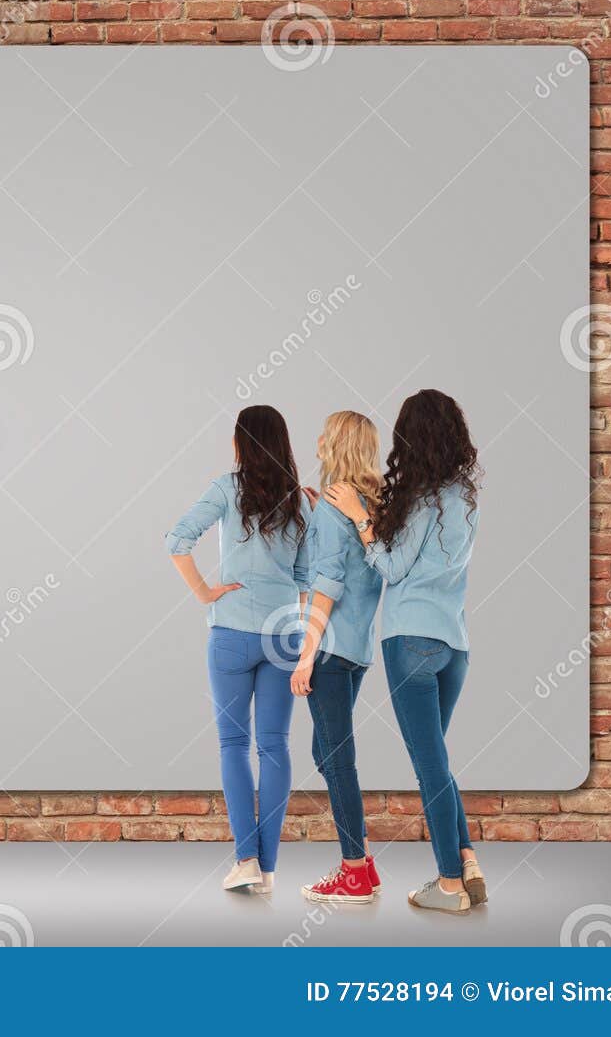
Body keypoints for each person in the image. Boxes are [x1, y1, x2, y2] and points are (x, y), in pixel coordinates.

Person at [325, 390, 485, 914]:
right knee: (438, 759)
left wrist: (360, 520)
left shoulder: (422, 501)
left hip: (410, 640)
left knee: (429, 766)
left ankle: (448, 884)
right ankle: (466, 860)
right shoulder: (464, 498)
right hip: (454, 644)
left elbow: (390, 568)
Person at [165, 405, 310, 893]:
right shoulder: (298, 501)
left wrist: (206, 592)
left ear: (240, 444)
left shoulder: (228, 488)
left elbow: (177, 539)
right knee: (275, 746)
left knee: (233, 744)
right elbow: (309, 580)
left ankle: (245, 859)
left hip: (229, 631)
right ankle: (266, 870)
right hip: (283, 635)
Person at [289, 411, 385, 904]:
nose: (318, 437)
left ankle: (353, 871)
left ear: (338, 443)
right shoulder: (369, 506)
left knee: (338, 759)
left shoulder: (333, 511)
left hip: (328, 649)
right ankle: (363, 860)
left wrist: (306, 656)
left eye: (325, 432)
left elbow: (327, 585)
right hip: (358, 649)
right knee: (326, 754)